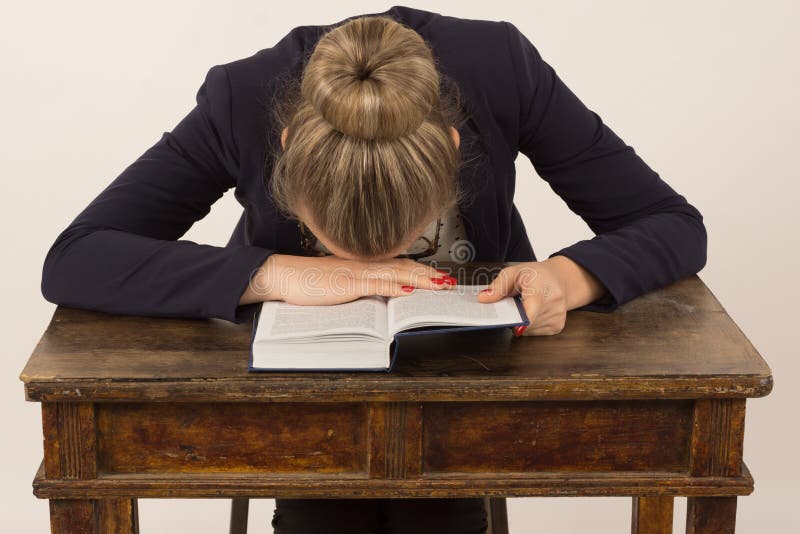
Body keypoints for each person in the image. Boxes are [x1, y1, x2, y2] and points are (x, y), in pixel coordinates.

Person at [39, 6, 707, 533]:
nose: (374, 266)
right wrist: (276, 273)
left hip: (466, 390)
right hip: (303, 402)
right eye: (339, 244)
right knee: (320, 508)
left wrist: (567, 276)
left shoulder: (499, 66)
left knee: (439, 508)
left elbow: (673, 223)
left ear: (449, 149)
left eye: (404, 236)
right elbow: (78, 255)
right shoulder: (240, 98)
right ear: (287, 149)